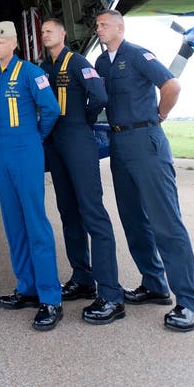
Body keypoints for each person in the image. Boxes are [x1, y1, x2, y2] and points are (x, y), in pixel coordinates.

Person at [94, 9, 194, 332]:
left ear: (120, 28)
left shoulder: (138, 54)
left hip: (146, 141)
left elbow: (171, 85)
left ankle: (190, 303)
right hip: (118, 143)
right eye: (97, 25)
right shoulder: (102, 64)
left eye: (104, 25)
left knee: (165, 222)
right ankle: (155, 284)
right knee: (133, 220)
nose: (99, 29)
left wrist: (160, 115)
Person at [41, 18, 125, 325]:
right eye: (42, 31)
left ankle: (111, 294)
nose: (45, 34)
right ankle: (82, 278)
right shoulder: (44, 67)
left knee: (92, 213)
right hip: (55, 143)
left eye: (50, 30)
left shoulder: (77, 62)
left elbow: (99, 96)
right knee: (68, 212)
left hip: (77, 138)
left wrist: (84, 121)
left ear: (63, 34)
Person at [0, 22, 63, 331]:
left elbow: (51, 109)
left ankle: (50, 298)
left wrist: (34, 137)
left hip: (27, 149)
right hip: (2, 151)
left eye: (2, 40)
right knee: (13, 223)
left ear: (14, 44)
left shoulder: (31, 73)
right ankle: (27, 287)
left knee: (35, 222)